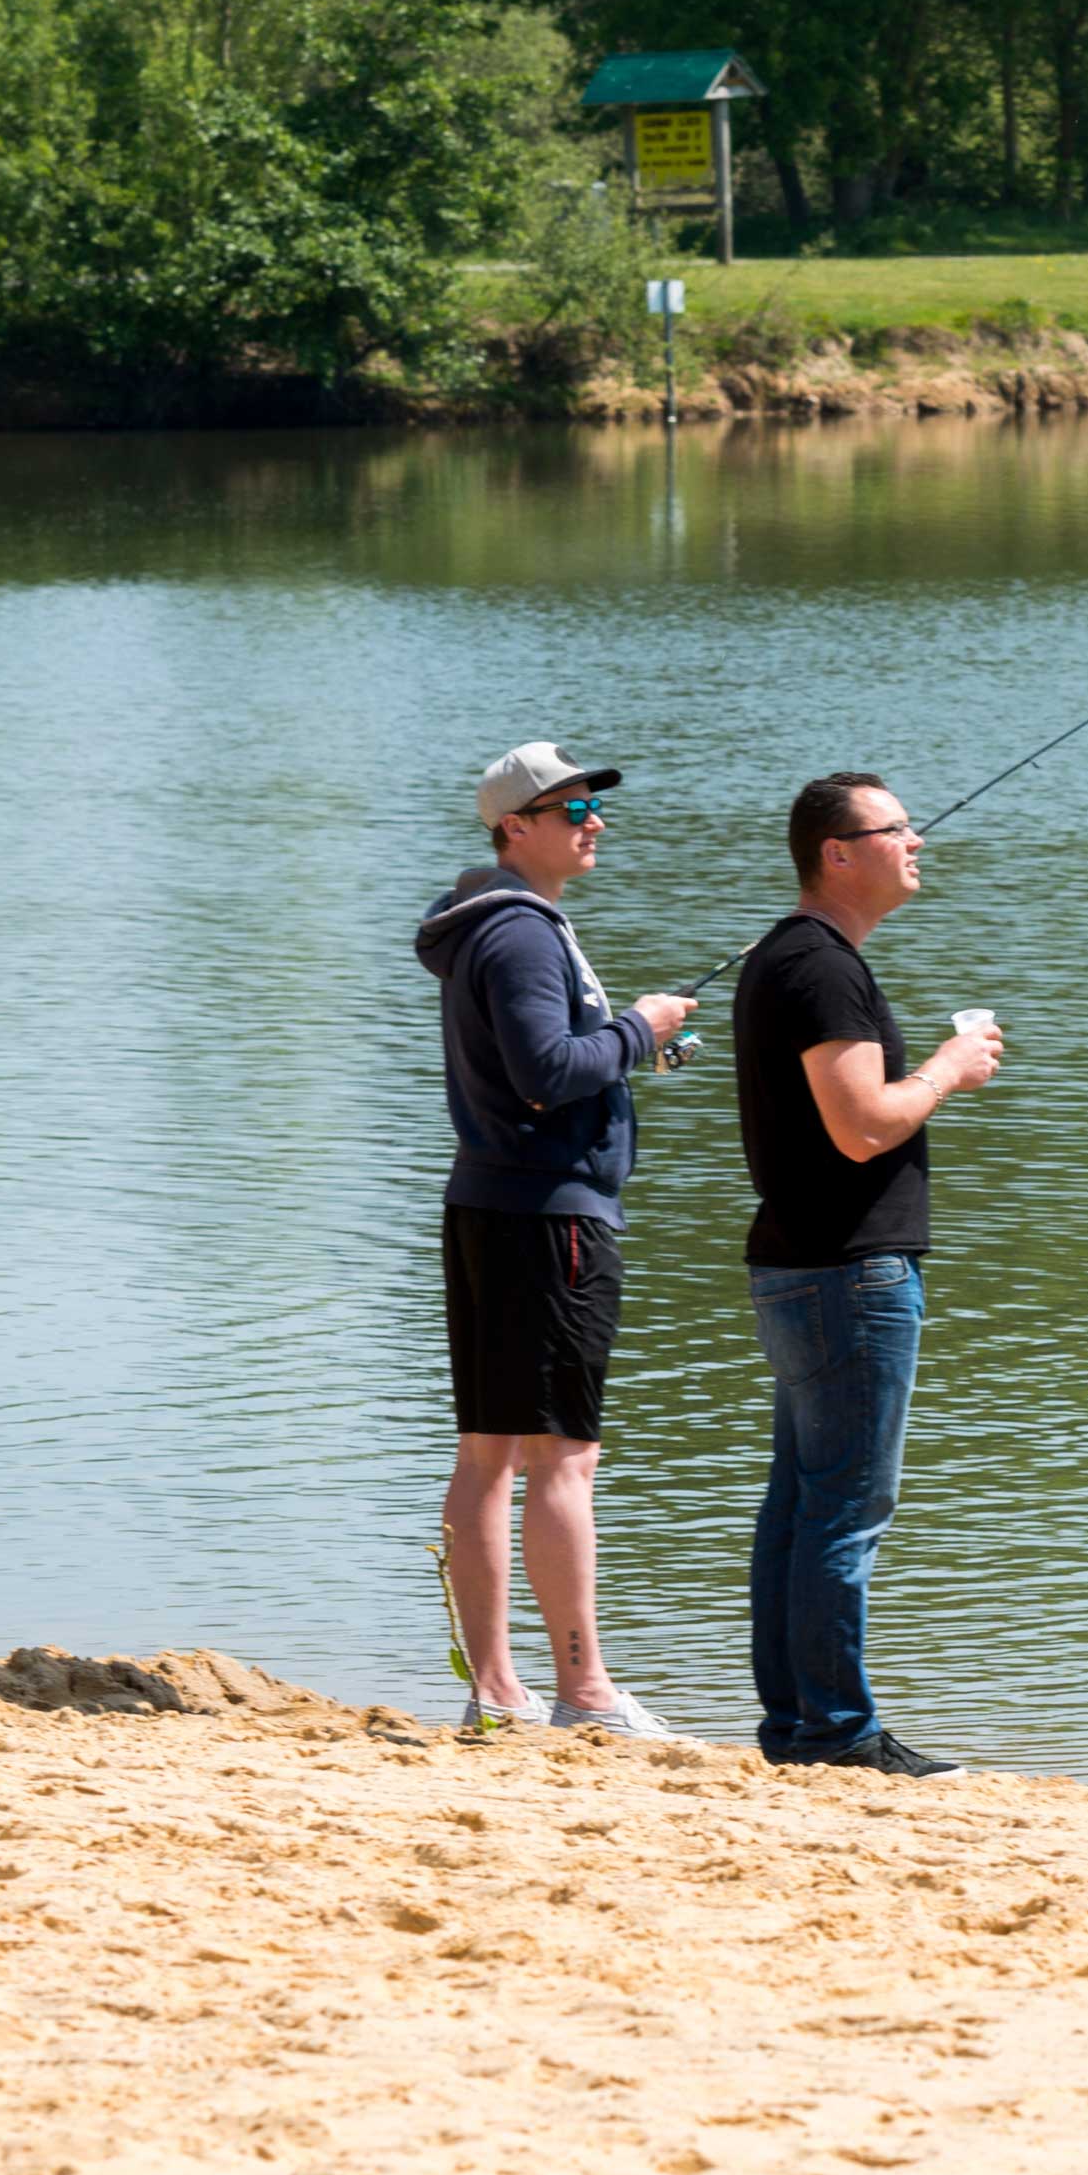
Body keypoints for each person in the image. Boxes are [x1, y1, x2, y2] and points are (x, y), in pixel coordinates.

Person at [415, 740, 696, 1742]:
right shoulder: (524, 934)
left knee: (489, 1452)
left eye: (591, 805)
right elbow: (544, 1072)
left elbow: (543, 1063)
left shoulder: (484, 924)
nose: (593, 821)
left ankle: (497, 1691)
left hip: (490, 1206)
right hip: (550, 1219)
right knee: (565, 1458)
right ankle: (587, 1693)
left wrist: (628, 1048)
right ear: (514, 826)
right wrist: (639, 1028)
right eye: (571, 808)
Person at [729, 770, 1008, 1775]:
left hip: (805, 1265)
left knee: (802, 1505)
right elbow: (860, 1125)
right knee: (843, 1509)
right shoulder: (820, 967)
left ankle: (798, 1726)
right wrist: (947, 1068)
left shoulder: (793, 955)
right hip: (848, 1272)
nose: (916, 840)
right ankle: (838, 1731)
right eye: (895, 828)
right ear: (837, 853)